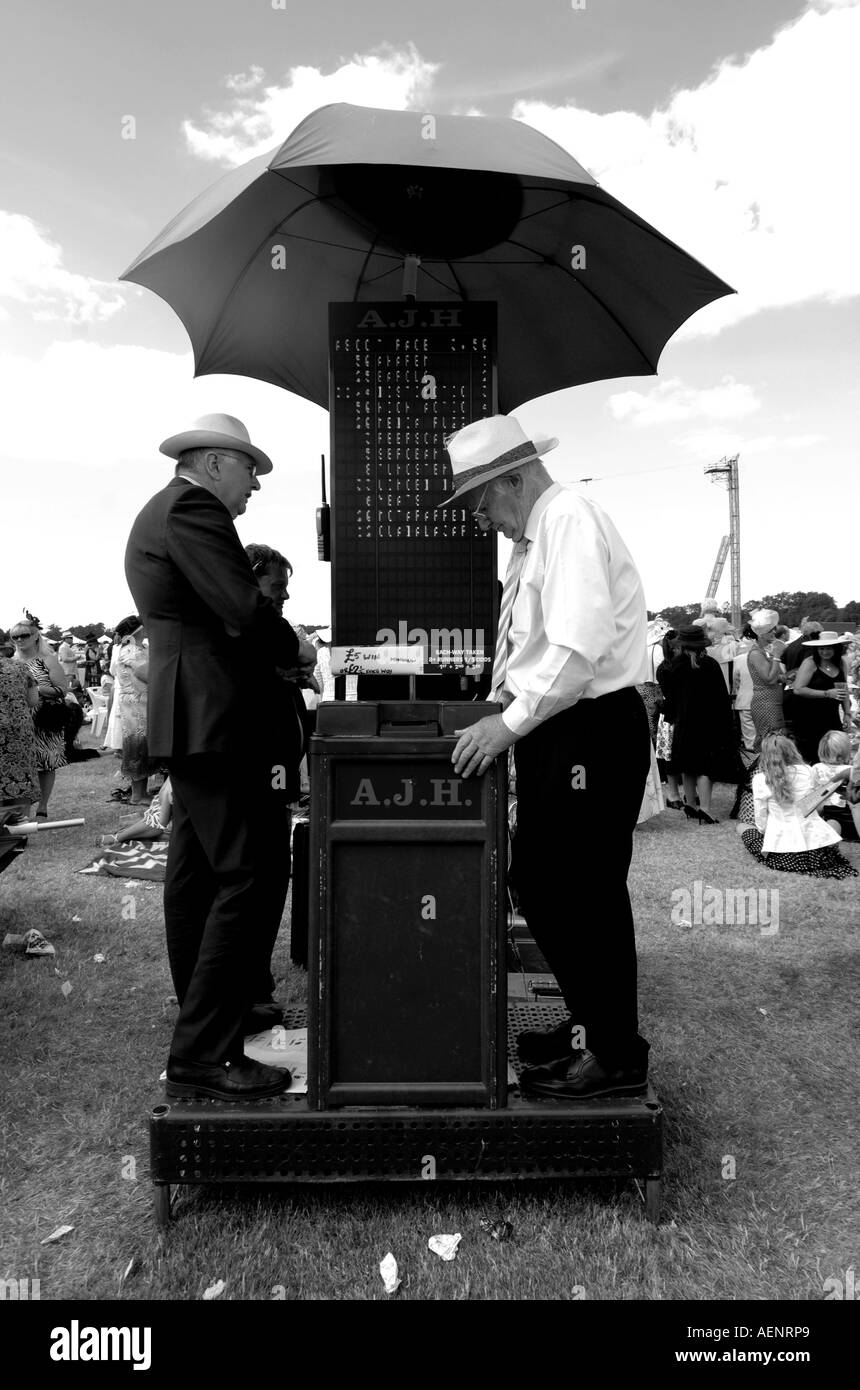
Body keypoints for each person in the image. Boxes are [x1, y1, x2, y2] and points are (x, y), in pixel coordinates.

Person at [440, 414, 652, 1100]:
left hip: (585, 726)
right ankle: (592, 1026)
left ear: (511, 478)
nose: (480, 519)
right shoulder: (538, 536)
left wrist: (506, 724)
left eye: (479, 501)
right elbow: (538, 652)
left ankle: (614, 1052)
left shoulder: (567, 521)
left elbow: (575, 648)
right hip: (561, 727)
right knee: (547, 882)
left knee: (580, 890)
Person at [125, 412, 316, 1102]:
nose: (255, 486)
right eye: (250, 470)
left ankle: (211, 1024)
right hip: (215, 719)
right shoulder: (194, 510)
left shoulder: (169, 510)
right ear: (212, 464)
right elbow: (240, 605)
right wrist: (294, 645)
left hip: (196, 718)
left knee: (200, 877)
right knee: (252, 876)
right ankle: (206, 1050)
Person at [737, 734, 856, 880]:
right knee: (833, 823)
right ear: (792, 750)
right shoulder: (808, 771)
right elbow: (813, 804)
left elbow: (761, 824)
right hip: (819, 851)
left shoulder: (760, 779)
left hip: (783, 854)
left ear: (765, 756)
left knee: (742, 827)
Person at [660, 626, 740, 824]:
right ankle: (704, 808)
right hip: (708, 722)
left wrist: (671, 717)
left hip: (683, 722)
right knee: (705, 766)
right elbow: (721, 697)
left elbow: (669, 699)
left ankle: (690, 804)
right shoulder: (710, 664)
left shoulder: (673, 666)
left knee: (687, 764)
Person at [9, 617, 70, 818]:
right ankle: (21, 809)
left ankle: (42, 807)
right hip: (19, 720)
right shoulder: (12, 662)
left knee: (46, 762)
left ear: (36, 636)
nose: (19, 639)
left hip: (45, 718)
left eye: (24, 635)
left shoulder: (48, 659)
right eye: (15, 636)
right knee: (23, 764)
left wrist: (35, 689)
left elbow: (62, 689)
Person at [790, 630, 851, 765]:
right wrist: (827, 693)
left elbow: (843, 688)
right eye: (821, 649)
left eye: (829, 648)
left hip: (831, 715)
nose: (824, 652)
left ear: (836, 648)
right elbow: (798, 689)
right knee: (813, 754)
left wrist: (847, 712)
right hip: (810, 716)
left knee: (834, 750)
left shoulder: (841, 663)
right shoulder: (810, 662)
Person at [113, 615, 151, 804]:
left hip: (141, 701)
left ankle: (141, 792)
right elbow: (146, 673)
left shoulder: (136, 648)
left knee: (143, 746)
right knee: (137, 747)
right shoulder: (131, 650)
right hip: (136, 703)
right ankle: (137, 795)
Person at [0, 650, 41, 820]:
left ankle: (3, 831)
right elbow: (33, 701)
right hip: (19, 729)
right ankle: (22, 828)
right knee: (22, 776)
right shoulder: (20, 667)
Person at [747, 608, 786, 750]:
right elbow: (769, 679)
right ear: (762, 634)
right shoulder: (756, 653)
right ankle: (766, 769)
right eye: (771, 630)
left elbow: (777, 677)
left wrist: (787, 677)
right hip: (765, 702)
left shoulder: (765, 652)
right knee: (770, 741)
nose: (774, 632)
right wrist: (777, 655)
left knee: (776, 740)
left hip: (773, 700)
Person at [655, 630, 684, 807]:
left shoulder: (664, 667)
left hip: (670, 715)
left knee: (671, 757)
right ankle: (675, 794)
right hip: (673, 716)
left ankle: (676, 794)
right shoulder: (670, 668)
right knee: (671, 757)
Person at [813, 730, 858, 843]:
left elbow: (813, 790)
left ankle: (830, 843)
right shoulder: (849, 770)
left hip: (830, 811)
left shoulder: (816, 768)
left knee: (832, 825)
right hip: (850, 811)